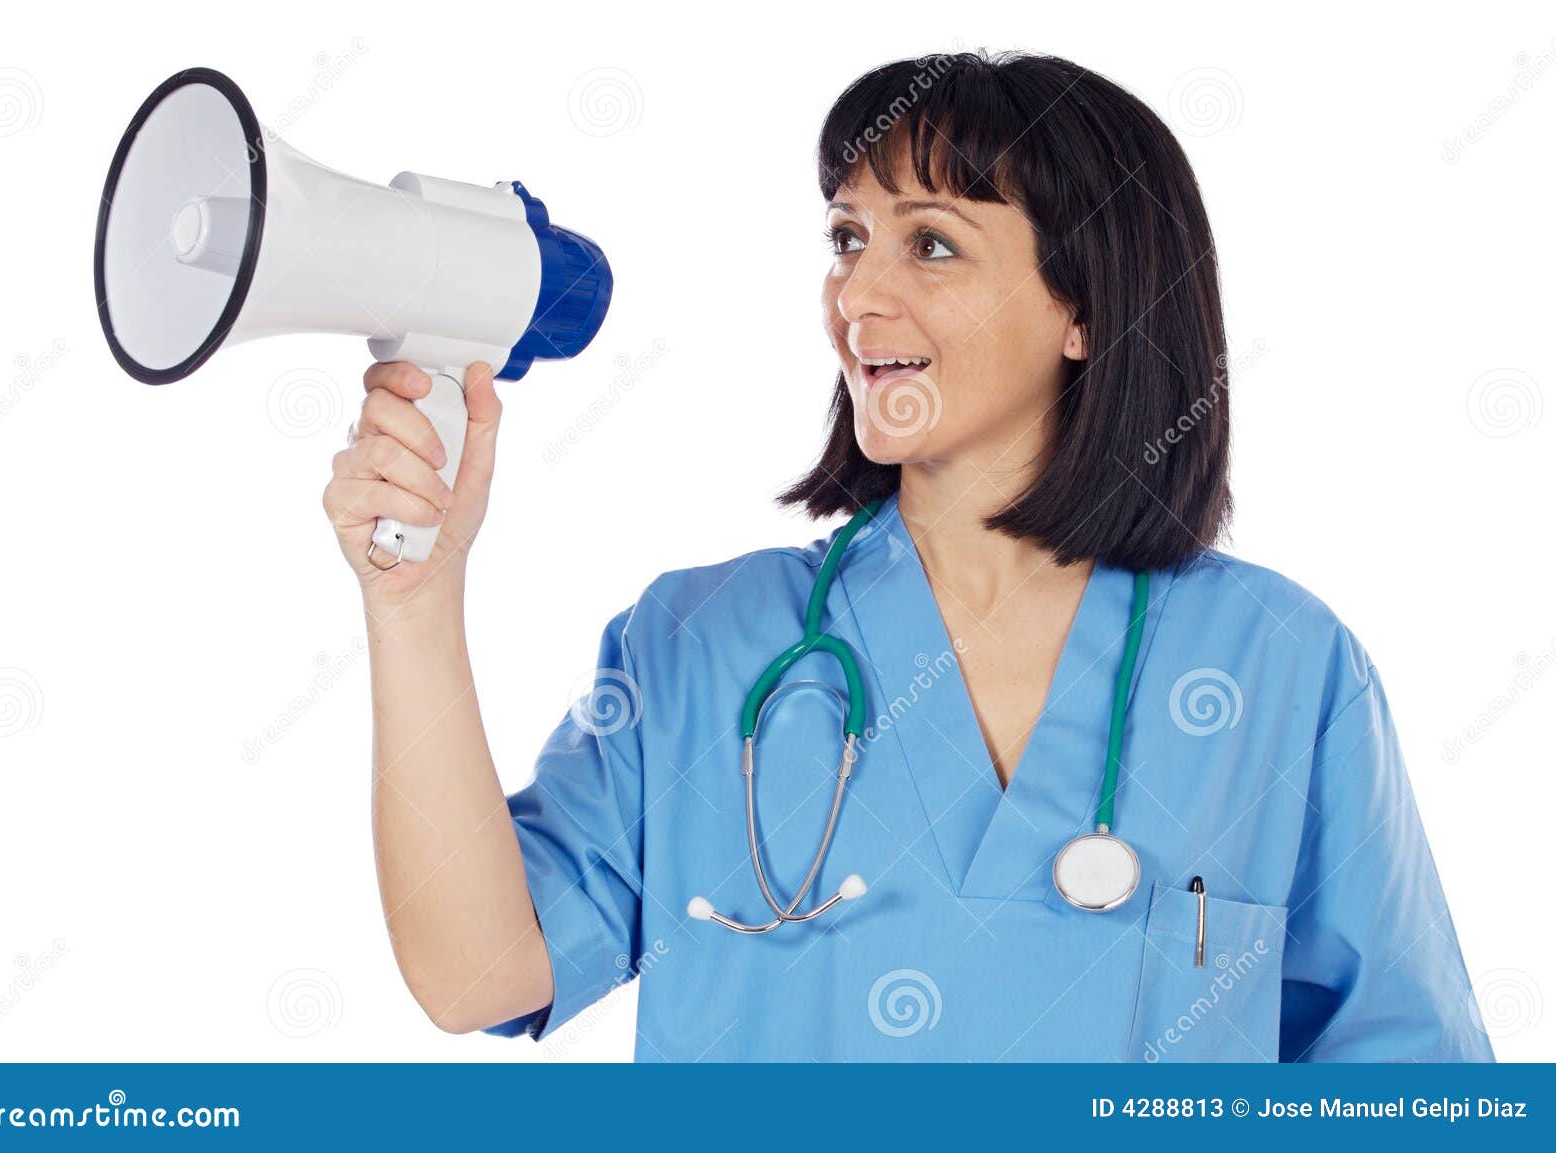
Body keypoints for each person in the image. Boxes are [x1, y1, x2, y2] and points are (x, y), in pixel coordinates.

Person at [322, 51, 1492, 1061]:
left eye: (930, 245)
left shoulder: (1276, 663)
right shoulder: (701, 641)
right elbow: (479, 974)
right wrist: (415, 600)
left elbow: (1408, 1080)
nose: (856, 296)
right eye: (845, 239)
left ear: (1083, 309)